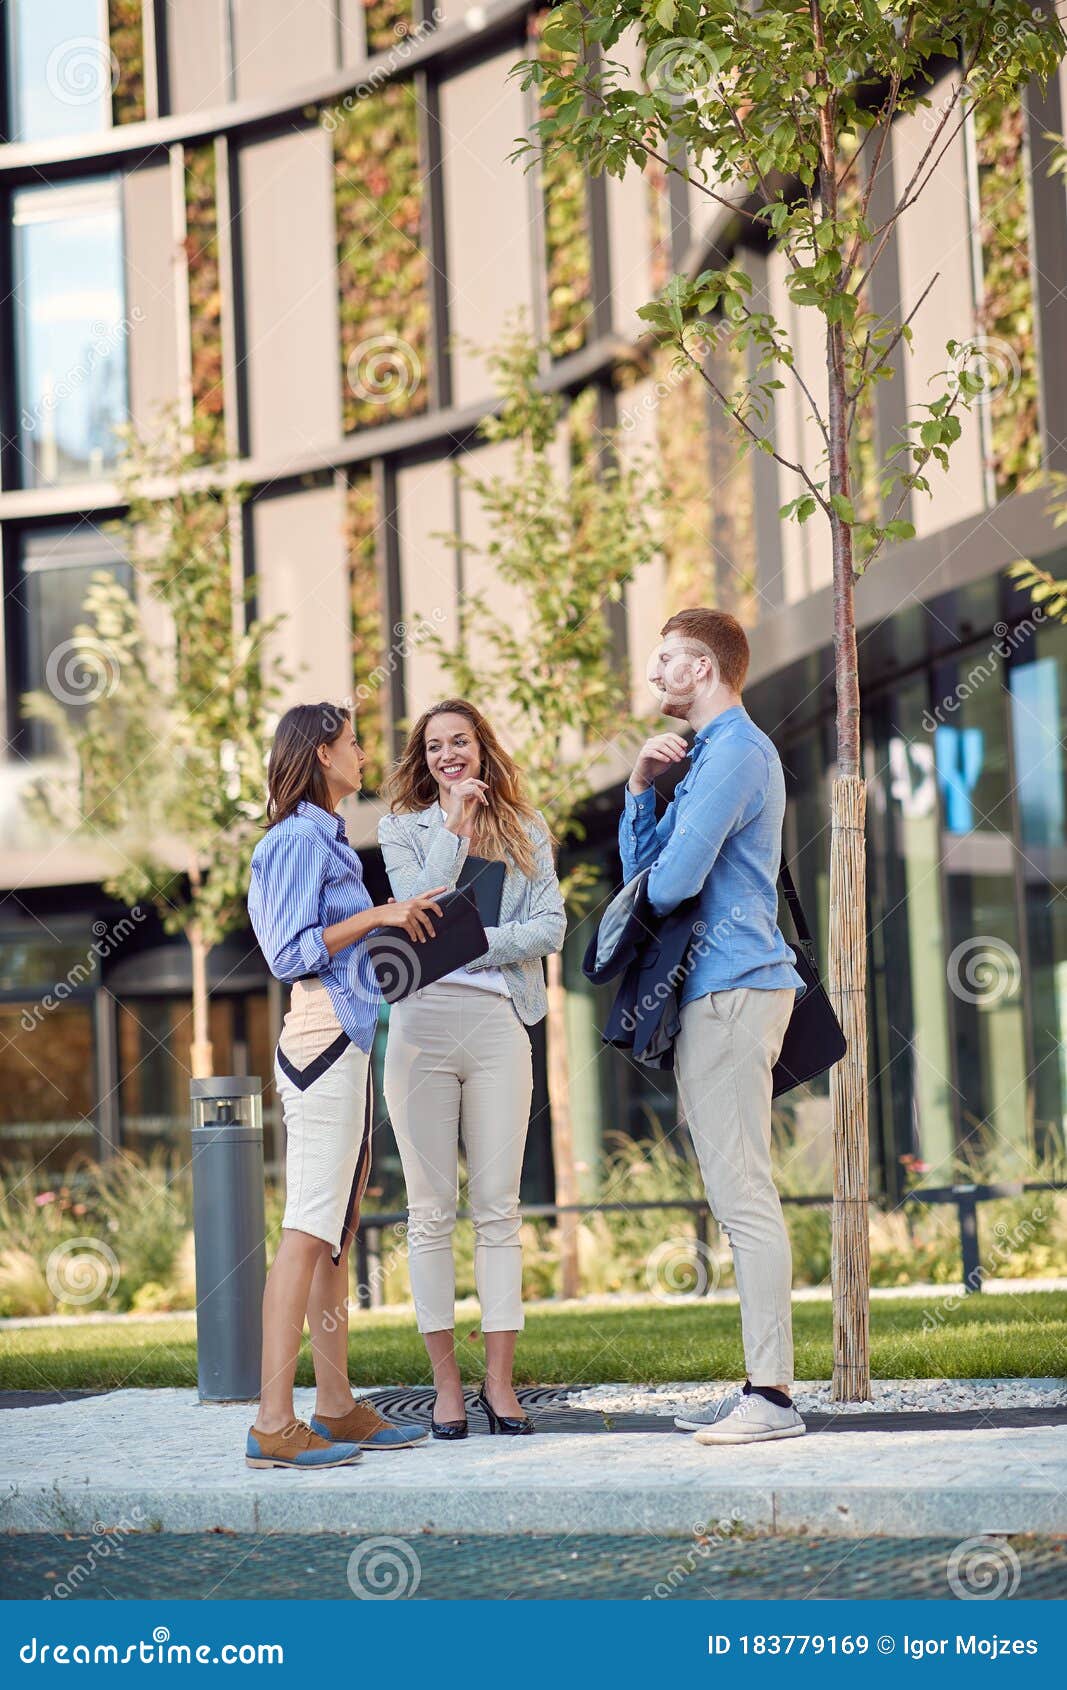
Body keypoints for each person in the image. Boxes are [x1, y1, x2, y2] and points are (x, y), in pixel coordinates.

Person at [620, 610, 808, 1445]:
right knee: (734, 1194)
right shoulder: (702, 761)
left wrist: (659, 852)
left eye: (665, 660)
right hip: (715, 990)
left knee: (744, 1195)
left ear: (702, 669)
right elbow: (642, 878)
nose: (654, 674)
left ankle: (771, 1399)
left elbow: (668, 886)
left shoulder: (734, 752)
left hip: (732, 989)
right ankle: (756, 1388)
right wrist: (637, 796)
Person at [245, 702, 444, 1469]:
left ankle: (334, 1407)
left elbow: (333, 941)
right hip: (321, 1043)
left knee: (334, 1240)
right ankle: (272, 1422)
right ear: (322, 752)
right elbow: (288, 952)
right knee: (306, 1231)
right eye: (354, 742)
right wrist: (378, 917)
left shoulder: (324, 835)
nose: (364, 753)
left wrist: (399, 924)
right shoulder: (295, 838)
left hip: (347, 1038)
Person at [378, 699, 566, 1439]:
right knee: (428, 1214)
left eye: (459, 742)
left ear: (482, 748)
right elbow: (416, 913)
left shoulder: (526, 830)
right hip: (421, 1028)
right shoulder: (402, 829)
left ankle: (499, 1383)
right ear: (424, 763)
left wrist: (468, 941)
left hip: (497, 1025)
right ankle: (446, 1387)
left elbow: (549, 927)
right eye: (433, 748)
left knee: (497, 1209)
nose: (447, 755)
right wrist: (452, 826)